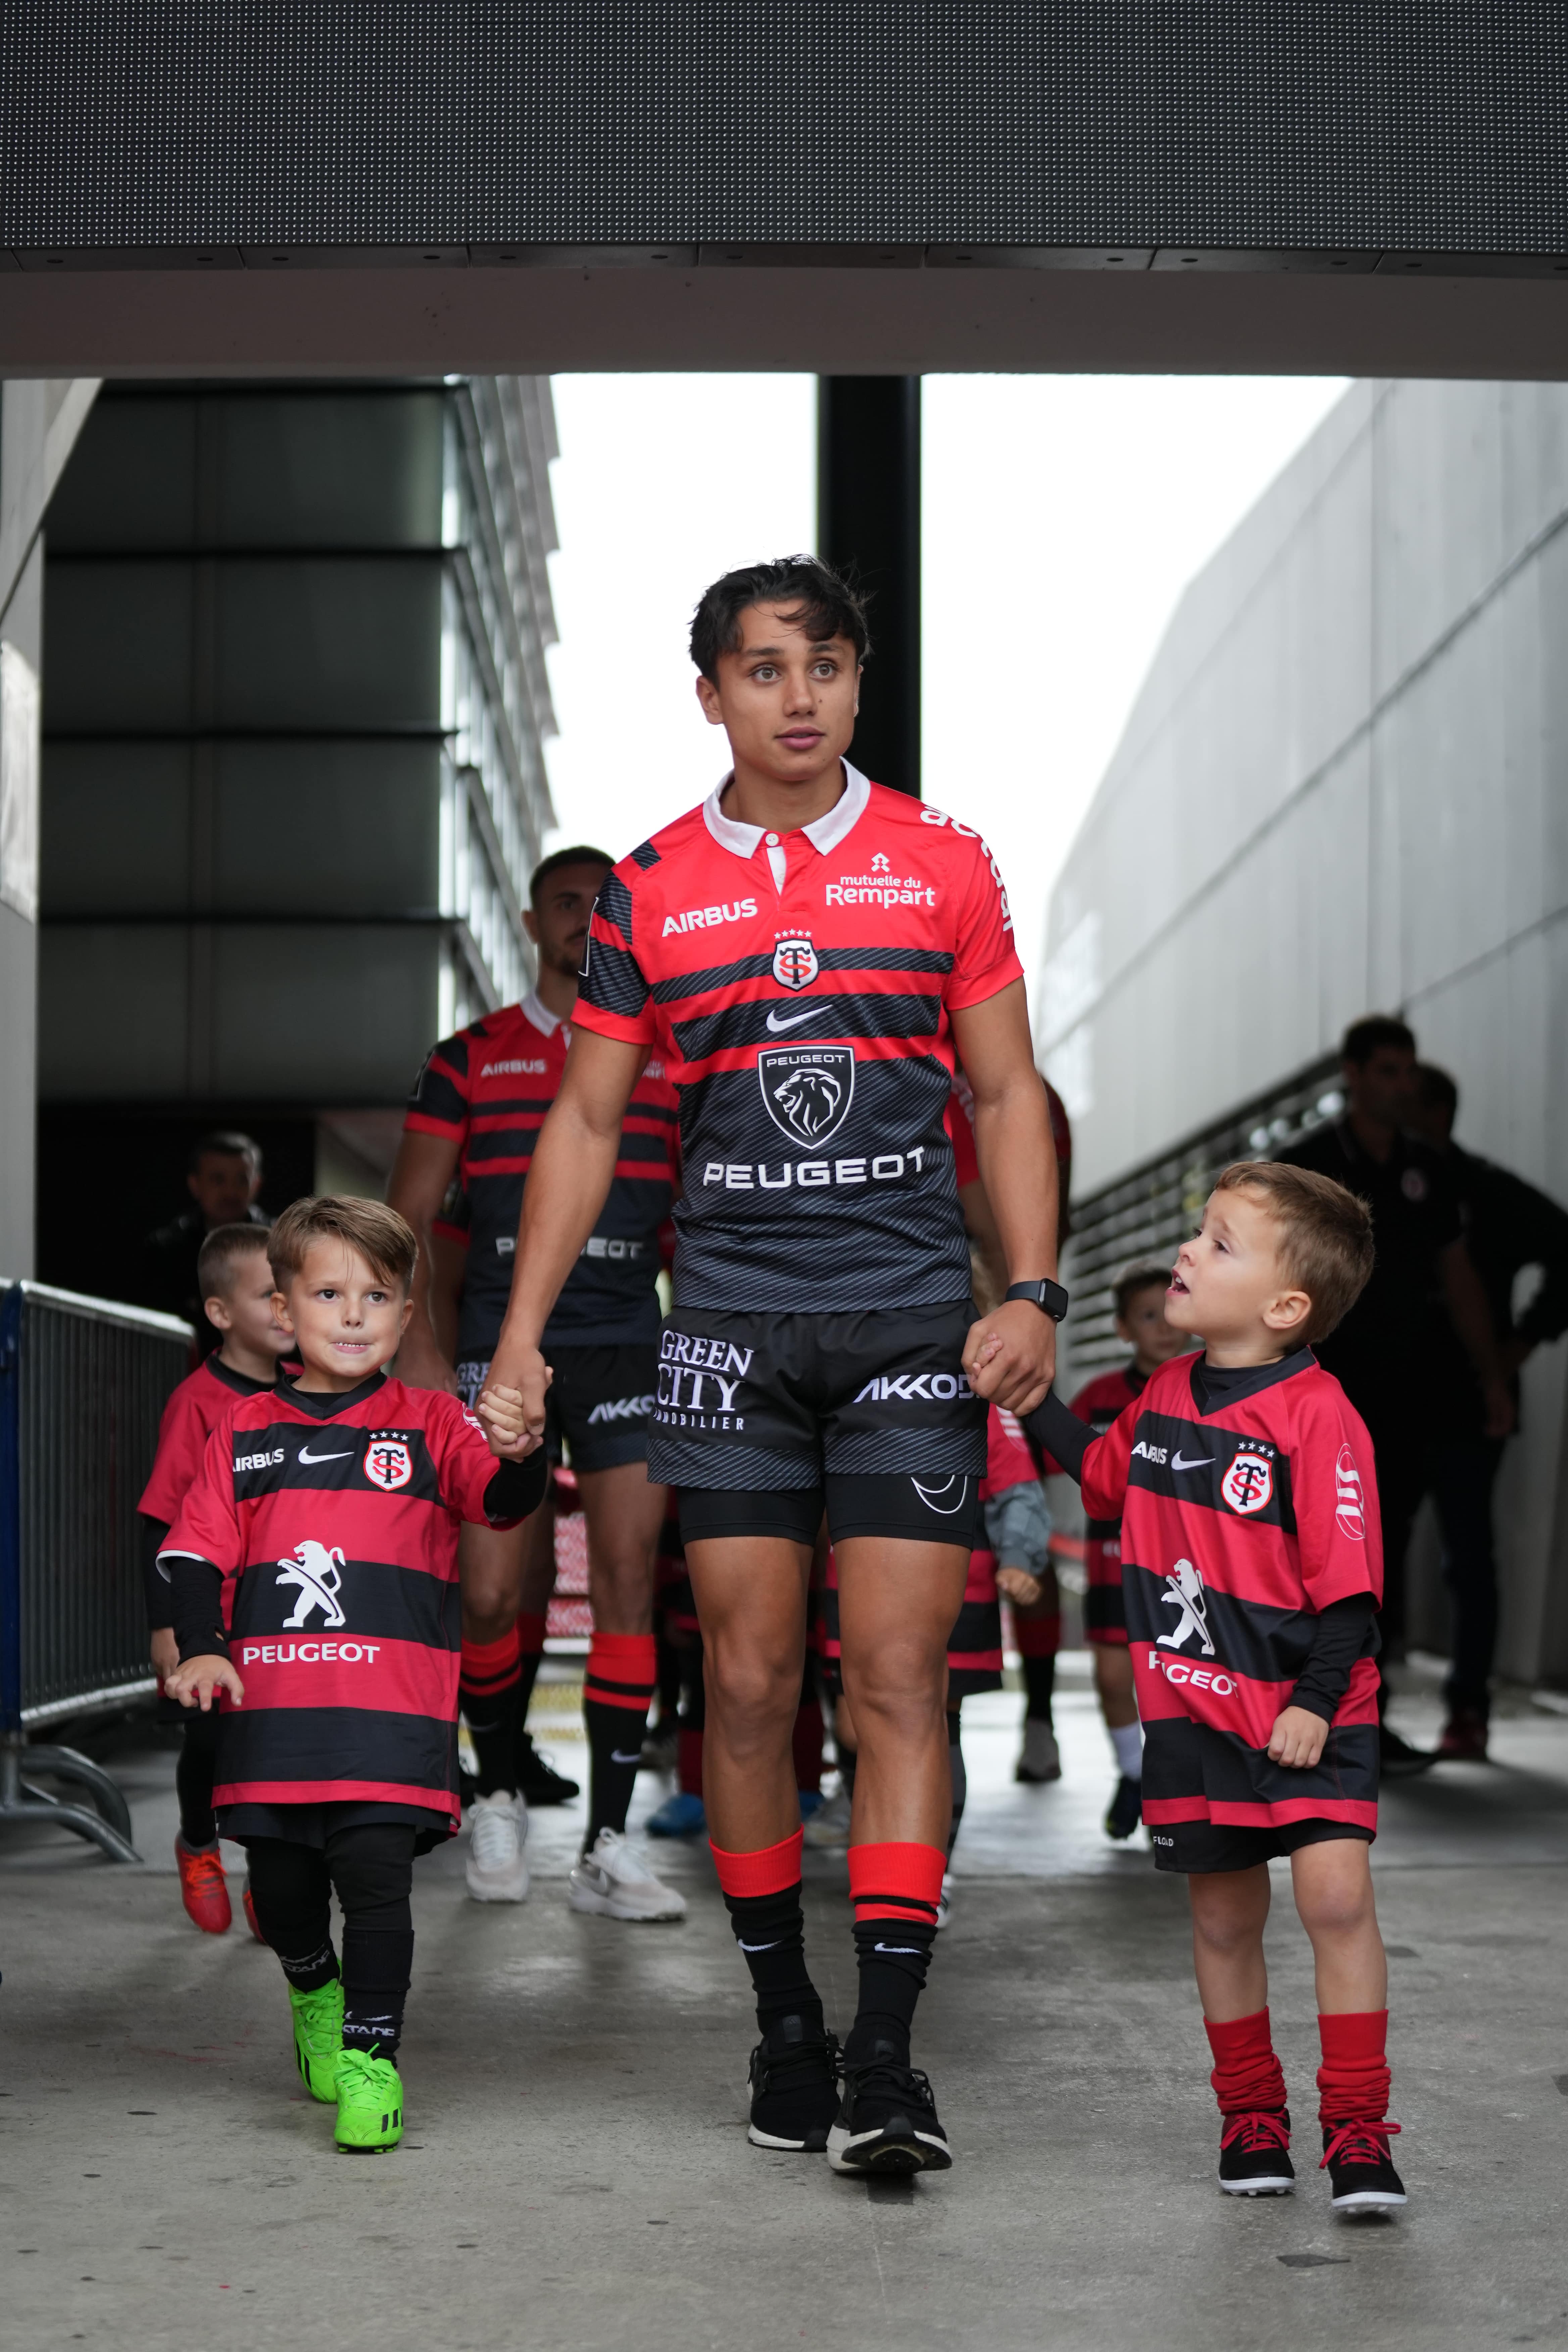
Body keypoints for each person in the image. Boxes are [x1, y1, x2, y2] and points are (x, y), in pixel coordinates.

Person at [479, 554, 1061, 2176]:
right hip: (724, 1328)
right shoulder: (654, 887)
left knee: (888, 1678)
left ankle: (884, 2049)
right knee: (742, 1683)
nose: (794, 696)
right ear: (709, 693)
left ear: (857, 685)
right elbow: (585, 1124)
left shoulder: (942, 861)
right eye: (760, 669)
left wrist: (1031, 1288)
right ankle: (782, 2024)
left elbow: (1007, 1095)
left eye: (822, 666)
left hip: (901, 1326)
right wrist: (521, 1338)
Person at [1029, 1161, 1406, 2215]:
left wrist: (1315, 1703)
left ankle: (1360, 2129)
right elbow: (1101, 1474)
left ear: (1287, 1306)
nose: (1187, 1253)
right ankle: (1251, 2113)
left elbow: (1351, 1593)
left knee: (1335, 1898)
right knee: (1227, 1919)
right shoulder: (1160, 1396)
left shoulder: (1319, 1414)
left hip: (1314, 1705)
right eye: (1200, 1231)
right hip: (1192, 1715)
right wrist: (1026, 1396)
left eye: (1220, 1242)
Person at [159, 1197, 546, 2154]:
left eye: (377, 1296)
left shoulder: (431, 1424)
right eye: (328, 1292)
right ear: (283, 1313)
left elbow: (500, 1503)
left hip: (389, 1721)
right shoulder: (242, 1432)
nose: (354, 1314)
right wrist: (204, 1644)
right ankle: (312, 1991)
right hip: (274, 1724)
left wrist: (525, 1448)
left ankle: (374, 2061)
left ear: (407, 1317)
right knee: (286, 1895)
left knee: (378, 1888)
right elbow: (189, 1558)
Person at [388, 846, 684, 1918]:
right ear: (529, 920)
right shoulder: (469, 1054)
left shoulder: (668, 1054)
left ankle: (608, 1838)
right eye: (566, 900)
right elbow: (407, 1219)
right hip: (493, 1344)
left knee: (626, 1577)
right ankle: (500, 1789)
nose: (584, 917)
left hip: (625, 1338)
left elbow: (696, 1224)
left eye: (602, 903)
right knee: (489, 1590)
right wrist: (421, 1349)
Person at [1277, 1016, 1513, 1774]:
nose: (1400, 1084)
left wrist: (1491, 1377)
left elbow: (1459, 1278)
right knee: (1310, 1554)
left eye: (1407, 1071)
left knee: (1383, 1559)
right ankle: (1297, 1710)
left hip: (1409, 1399)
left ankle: (1366, 1721)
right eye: (1386, 1070)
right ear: (1351, 1073)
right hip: (1319, 1394)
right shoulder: (1309, 1163)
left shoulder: (1426, 1167)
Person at [1405, 1062, 1568, 1757]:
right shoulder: (1376, 1182)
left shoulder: (1482, 1190)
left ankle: (1467, 1708)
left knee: (1466, 1558)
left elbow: (1565, 1246)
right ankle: (1359, 1709)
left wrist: (1519, 1344)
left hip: (1472, 1399)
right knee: (1364, 1559)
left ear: (1438, 1113)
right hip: (1384, 1397)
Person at [138, 1223, 295, 1933]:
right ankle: (198, 1843)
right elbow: (160, 1523)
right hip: (209, 1617)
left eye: (292, 1291)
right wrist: (167, 1626)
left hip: (280, 1614)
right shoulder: (196, 1404)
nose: (289, 1307)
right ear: (221, 1314)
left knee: (269, 1752)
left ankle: (268, 1876)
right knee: (207, 1743)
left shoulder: (307, 1393)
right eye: (270, 1295)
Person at [1047, 1263, 1195, 1839]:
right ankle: (1133, 1773)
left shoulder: (1205, 1387)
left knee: (1181, 1679)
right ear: (1122, 1329)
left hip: (1182, 1573)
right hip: (1114, 1566)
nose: (1162, 1327)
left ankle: (1174, 1784)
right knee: (1113, 1678)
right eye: (1147, 1315)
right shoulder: (1101, 1396)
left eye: (1170, 1310)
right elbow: (1054, 1457)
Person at [139, 1132, 270, 1333]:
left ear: (256, 1185)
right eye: (218, 1180)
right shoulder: (167, 1249)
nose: (230, 1192)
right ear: (195, 1184)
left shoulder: (280, 1245)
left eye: (242, 1180)